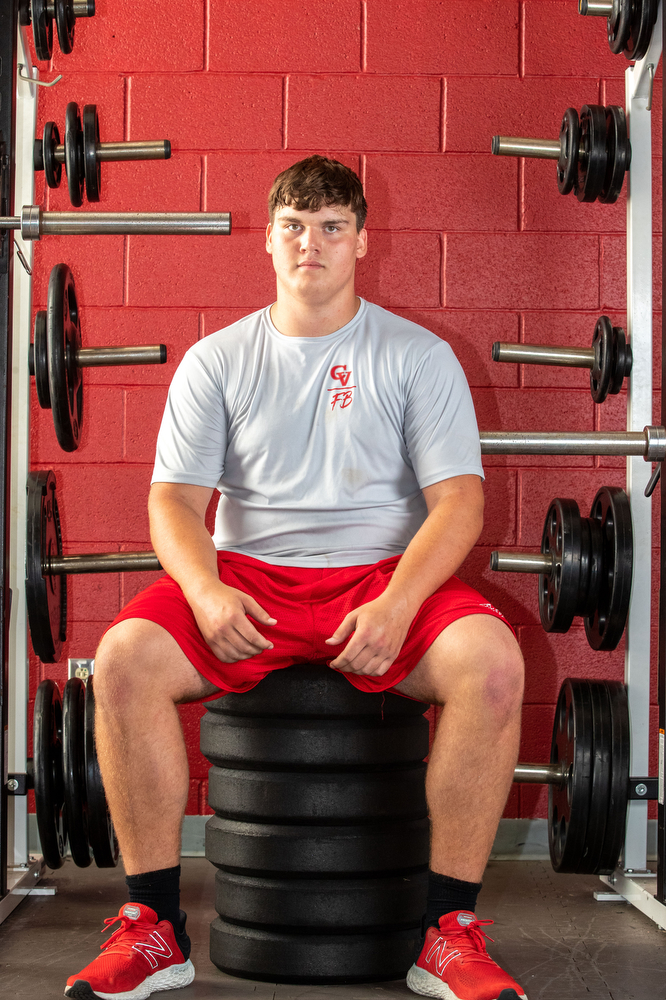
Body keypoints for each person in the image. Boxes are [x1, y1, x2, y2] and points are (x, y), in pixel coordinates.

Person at [64, 156, 527, 1000]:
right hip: (249, 581)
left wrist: (399, 601)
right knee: (124, 658)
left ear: (361, 241)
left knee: (494, 665)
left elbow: (459, 503)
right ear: (267, 240)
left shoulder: (416, 356)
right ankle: (154, 927)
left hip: (383, 577)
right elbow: (172, 501)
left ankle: (447, 935)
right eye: (292, 226)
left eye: (330, 227)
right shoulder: (219, 360)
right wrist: (204, 592)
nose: (309, 243)